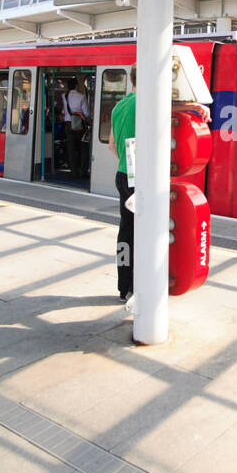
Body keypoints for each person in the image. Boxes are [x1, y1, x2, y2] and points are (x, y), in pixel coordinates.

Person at [108, 65, 136, 308]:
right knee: (146, 234)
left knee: (126, 231)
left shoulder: (120, 106)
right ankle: (139, 286)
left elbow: (111, 145)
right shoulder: (148, 102)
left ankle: (123, 286)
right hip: (142, 179)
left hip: (123, 174)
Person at [65, 78, 91, 178]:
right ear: (76, 86)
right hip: (79, 125)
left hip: (68, 124)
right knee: (83, 148)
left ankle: (73, 172)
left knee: (71, 149)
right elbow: (86, 113)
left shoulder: (64, 96)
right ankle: (82, 171)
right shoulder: (81, 96)